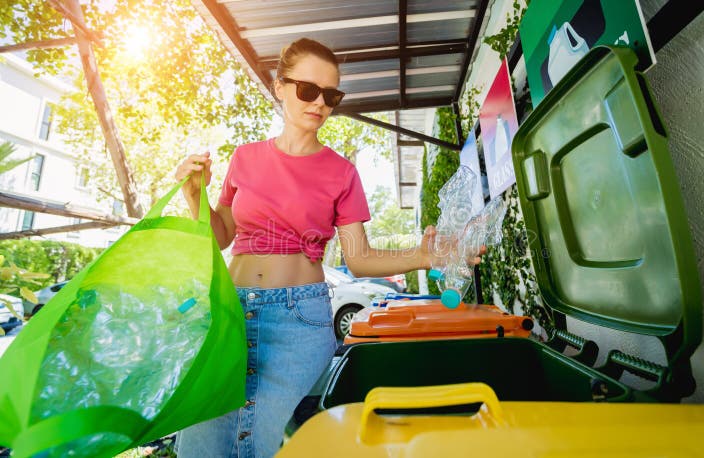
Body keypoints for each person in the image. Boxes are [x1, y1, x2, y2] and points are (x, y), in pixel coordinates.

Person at [172, 38, 482, 457]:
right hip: (230, 313)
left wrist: (428, 255)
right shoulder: (244, 159)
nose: (319, 102)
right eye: (307, 90)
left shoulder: (341, 173)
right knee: (202, 444)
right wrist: (196, 197)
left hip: (298, 321)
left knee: (278, 446)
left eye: (331, 95)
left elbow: (360, 258)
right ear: (279, 86)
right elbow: (223, 234)